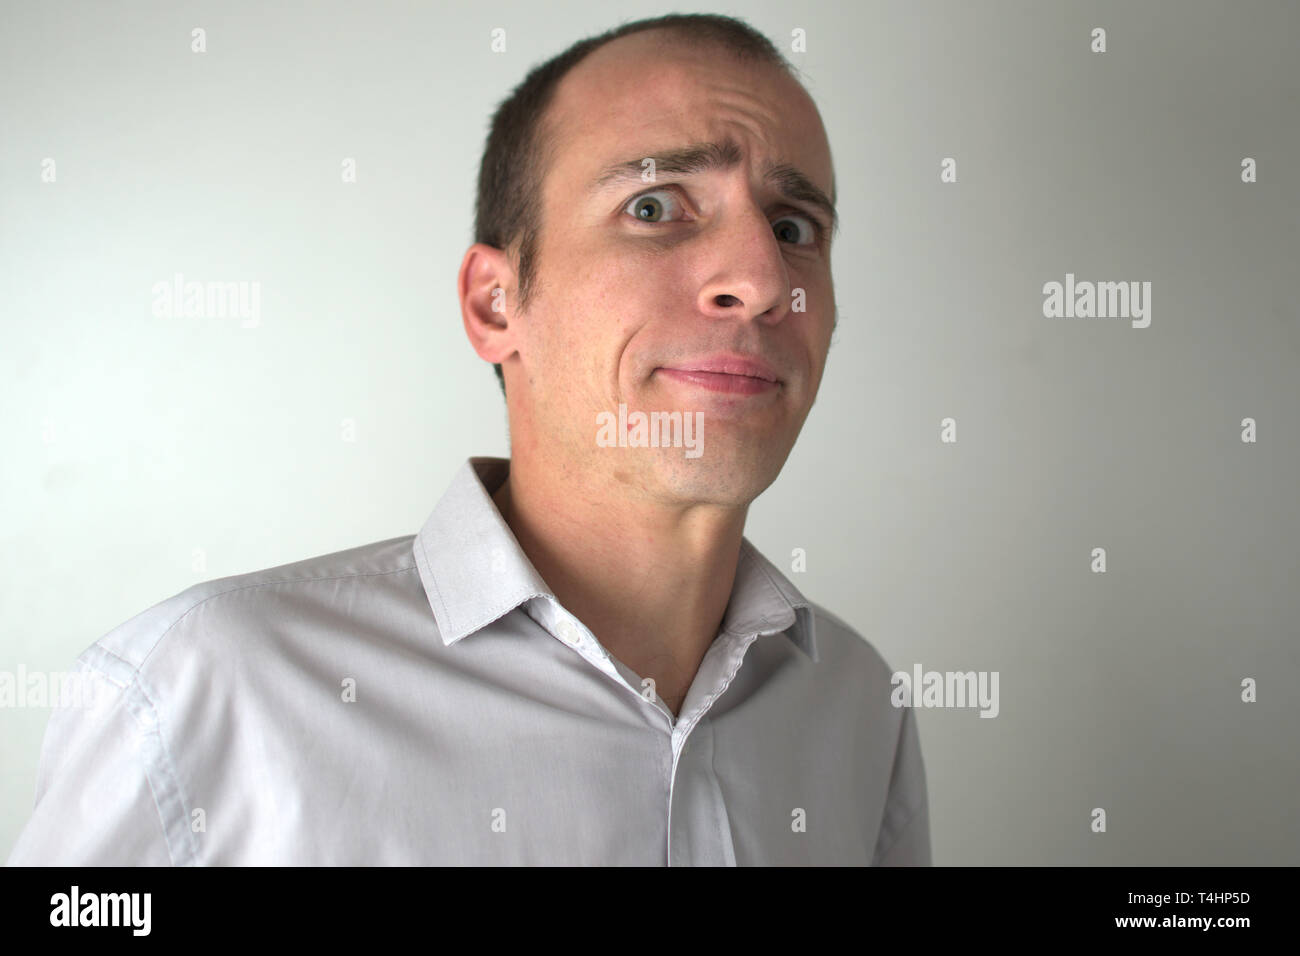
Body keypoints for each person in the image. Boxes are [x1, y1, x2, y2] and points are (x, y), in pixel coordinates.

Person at [7, 12, 930, 866]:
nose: (762, 280)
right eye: (655, 207)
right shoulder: (199, 693)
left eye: (794, 227)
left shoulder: (858, 710)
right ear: (496, 304)